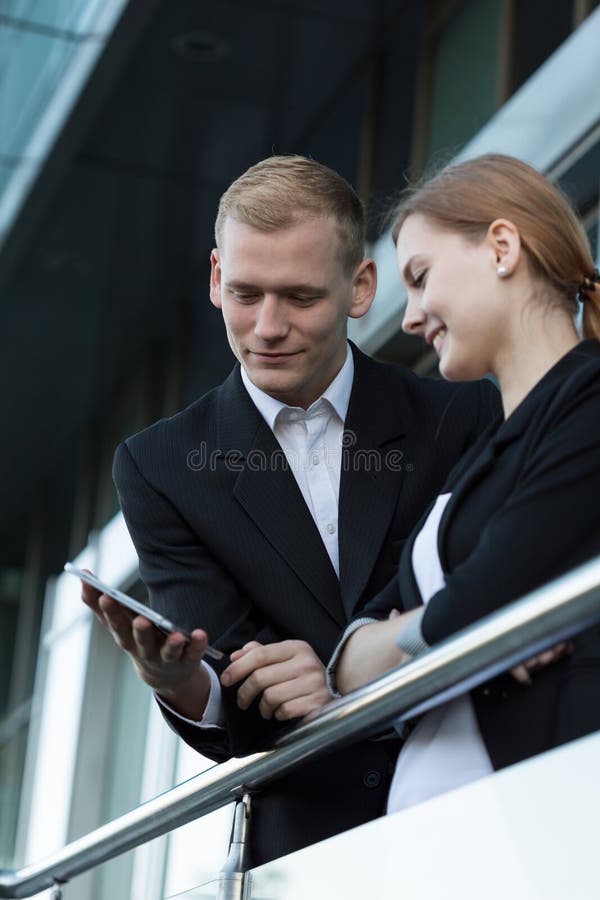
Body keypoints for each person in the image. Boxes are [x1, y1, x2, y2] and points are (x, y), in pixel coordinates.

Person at [81, 155, 499, 864]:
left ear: (361, 287)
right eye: (246, 293)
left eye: (299, 297)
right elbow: (227, 671)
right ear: (216, 279)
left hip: (481, 811)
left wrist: (338, 674)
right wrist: (183, 683)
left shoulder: (463, 414)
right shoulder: (158, 467)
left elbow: (489, 595)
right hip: (307, 849)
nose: (267, 326)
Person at [328, 153, 600, 814]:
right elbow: (344, 660)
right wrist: (454, 632)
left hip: (541, 815)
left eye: (421, 278)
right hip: (436, 828)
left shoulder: (590, 399)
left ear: (503, 247)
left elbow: (496, 590)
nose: (412, 316)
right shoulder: (479, 459)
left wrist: (418, 635)